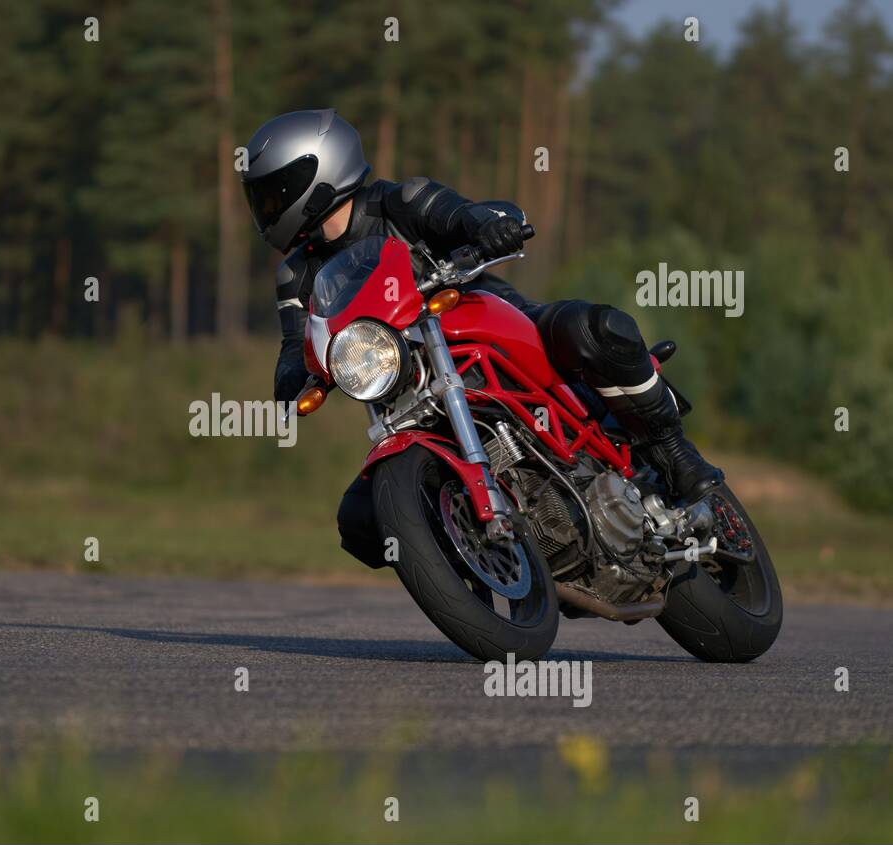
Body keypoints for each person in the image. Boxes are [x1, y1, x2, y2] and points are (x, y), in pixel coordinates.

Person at [240, 109, 722, 569]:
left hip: (492, 322)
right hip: (408, 387)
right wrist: (293, 381)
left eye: (275, 194)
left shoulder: (399, 201)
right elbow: (293, 347)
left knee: (593, 327)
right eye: (263, 198)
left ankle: (671, 449)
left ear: (320, 172)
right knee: (362, 521)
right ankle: (481, 561)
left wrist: (489, 227)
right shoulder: (295, 275)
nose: (269, 209)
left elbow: (459, 216)